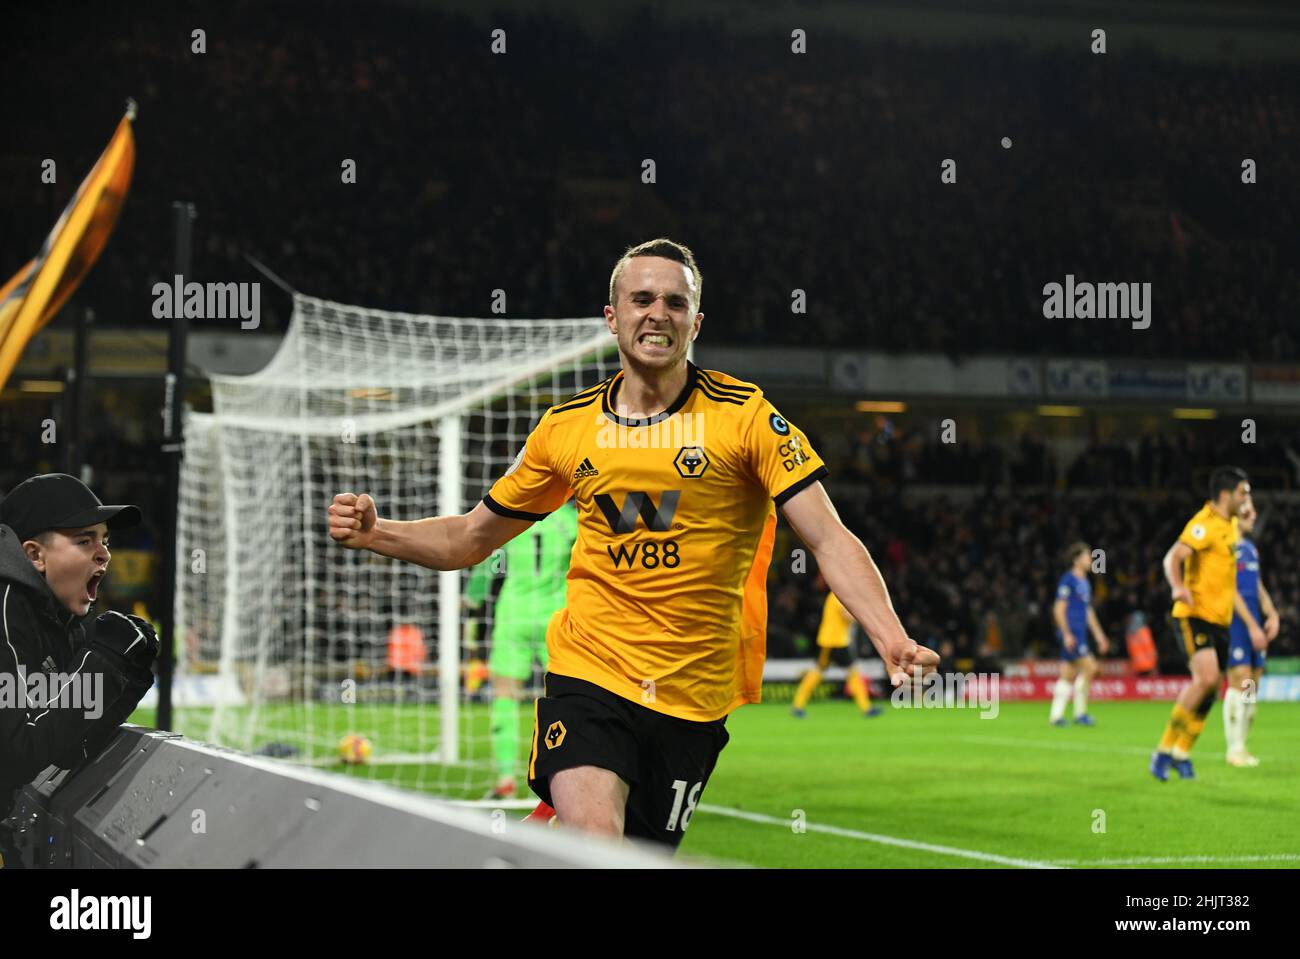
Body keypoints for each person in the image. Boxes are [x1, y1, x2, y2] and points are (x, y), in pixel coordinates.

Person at [329, 238, 938, 850]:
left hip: (694, 695)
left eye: (675, 302)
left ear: (695, 323)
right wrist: (379, 533)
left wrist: (891, 638)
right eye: (641, 298)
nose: (657, 313)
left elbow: (829, 538)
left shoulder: (746, 416)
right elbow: (470, 537)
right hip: (589, 673)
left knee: (625, 853)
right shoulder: (566, 430)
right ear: (612, 317)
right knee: (598, 844)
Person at [0, 474, 159, 866]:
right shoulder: (6, 605)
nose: (104, 553)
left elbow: (69, 747)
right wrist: (104, 659)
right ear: (35, 555)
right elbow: (19, 749)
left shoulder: (52, 614)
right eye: (84, 540)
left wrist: (127, 674)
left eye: (105, 540)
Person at [1149, 467, 1258, 782]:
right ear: (1226, 495)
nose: (1246, 499)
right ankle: (1163, 751)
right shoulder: (1203, 525)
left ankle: (1182, 753)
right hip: (1194, 613)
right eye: (1242, 492)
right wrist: (1177, 586)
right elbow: (1173, 557)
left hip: (1221, 620)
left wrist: (1248, 507)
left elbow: (1247, 520)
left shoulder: (1231, 524)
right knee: (1207, 678)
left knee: (1211, 689)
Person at [464, 500, 578, 798]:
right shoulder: (572, 521)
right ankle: (566, 780)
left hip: (513, 614)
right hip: (557, 615)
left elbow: (486, 564)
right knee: (567, 698)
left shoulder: (514, 520)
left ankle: (505, 778)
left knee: (505, 695)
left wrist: (473, 600)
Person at [1223, 499, 1280, 767]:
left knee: (1252, 686)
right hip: (1234, 622)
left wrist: (1271, 613)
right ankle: (1233, 748)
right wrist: (1252, 625)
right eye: (1248, 511)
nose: (1254, 515)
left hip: (1253, 622)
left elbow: (1256, 585)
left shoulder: (1250, 549)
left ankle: (1242, 746)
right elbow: (1229, 591)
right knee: (1240, 680)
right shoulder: (1225, 547)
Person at [791, 571, 880, 718]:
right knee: (825, 672)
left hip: (836, 641)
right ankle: (797, 705)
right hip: (833, 641)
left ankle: (867, 708)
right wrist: (865, 615)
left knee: (847, 672)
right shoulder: (839, 596)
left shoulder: (836, 595)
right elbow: (847, 616)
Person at [1048, 542, 1110, 726]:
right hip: (1072, 632)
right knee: (1090, 667)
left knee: (1068, 673)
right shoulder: (1068, 580)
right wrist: (1066, 634)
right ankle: (1079, 713)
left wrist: (1099, 635)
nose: (1091, 559)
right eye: (1086, 556)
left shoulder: (1085, 582)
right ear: (1076, 560)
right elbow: (1058, 609)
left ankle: (1056, 716)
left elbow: (1088, 611)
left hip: (1080, 633)